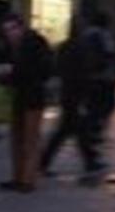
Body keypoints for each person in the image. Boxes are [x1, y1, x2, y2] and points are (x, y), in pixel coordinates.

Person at [0, 13, 52, 193]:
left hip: (32, 96)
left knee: (30, 139)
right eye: (6, 30)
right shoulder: (12, 46)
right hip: (18, 96)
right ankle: (18, 177)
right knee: (17, 138)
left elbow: (40, 70)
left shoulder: (35, 42)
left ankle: (28, 180)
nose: (9, 34)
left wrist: (13, 73)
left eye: (12, 29)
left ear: (21, 27)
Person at [39, 22, 102, 177]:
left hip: (68, 92)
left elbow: (58, 67)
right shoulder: (81, 48)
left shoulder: (64, 47)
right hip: (76, 92)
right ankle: (88, 160)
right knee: (71, 129)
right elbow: (87, 69)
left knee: (71, 128)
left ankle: (89, 159)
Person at [81, 12, 115, 167]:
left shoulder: (86, 36)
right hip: (103, 78)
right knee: (106, 105)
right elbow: (110, 54)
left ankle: (91, 135)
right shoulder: (103, 35)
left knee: (92, 108)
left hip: (89, 78)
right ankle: (93, 131)